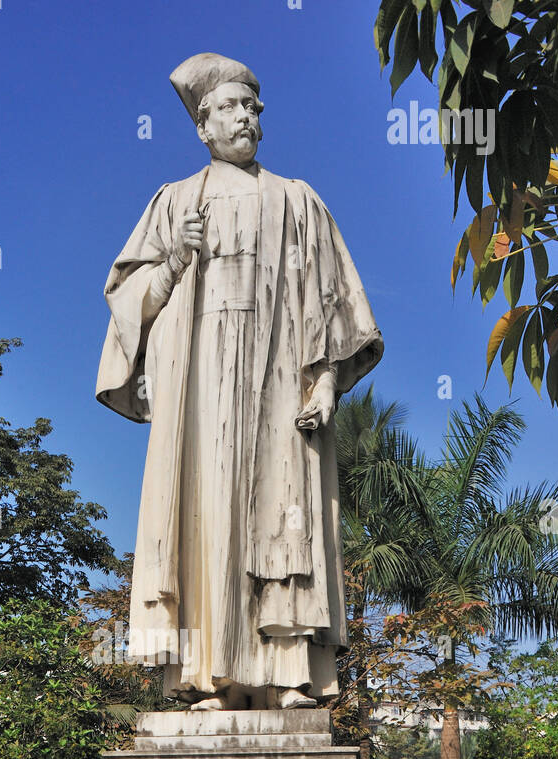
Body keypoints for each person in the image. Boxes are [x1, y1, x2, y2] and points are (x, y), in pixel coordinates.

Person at [96, 52, 384, 710]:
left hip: (280, 385)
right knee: (206, 520)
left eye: (253, 107)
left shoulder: (299, 201)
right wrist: (173, 260)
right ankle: (210, 678)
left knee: (281, 514)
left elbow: (340, 308)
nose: (247, 116)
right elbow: (126, 299)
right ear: (203, 126)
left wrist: (327, 385)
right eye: (231, 107)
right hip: (198, 392)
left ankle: (287, 675)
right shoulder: (173, 202)